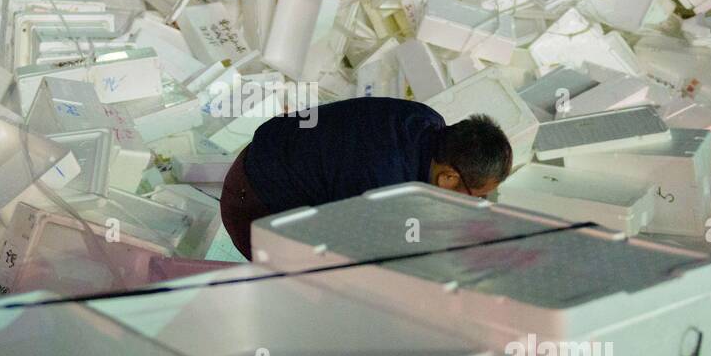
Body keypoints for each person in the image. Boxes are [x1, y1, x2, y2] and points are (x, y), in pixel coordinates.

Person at [220, 97, 513, 260]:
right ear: (448, 178)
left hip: (275, 154)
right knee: (319, 294)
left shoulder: (427, 122)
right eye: (476, 196)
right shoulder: (382, 182)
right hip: (252, 201)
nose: (479, 203)